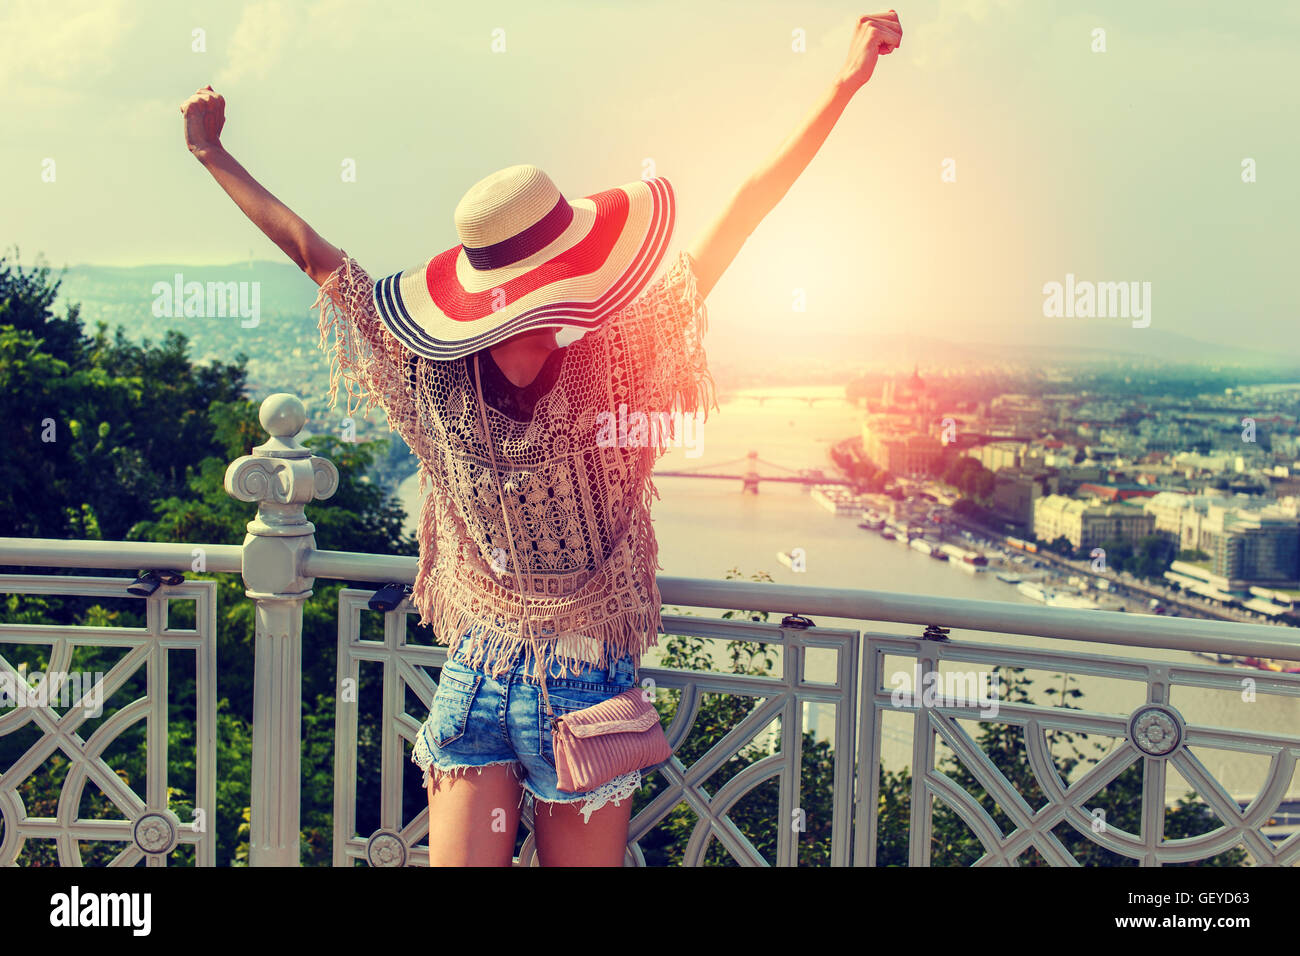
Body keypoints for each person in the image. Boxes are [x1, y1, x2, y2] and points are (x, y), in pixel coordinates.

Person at [181, 11, 902, 866]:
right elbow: (748, 209)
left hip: (529, 678)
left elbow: (318, 260)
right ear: (567, 271)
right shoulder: (562, 372)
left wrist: (211, 155)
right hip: (535, 682)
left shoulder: (473, 376)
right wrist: (846, 83)